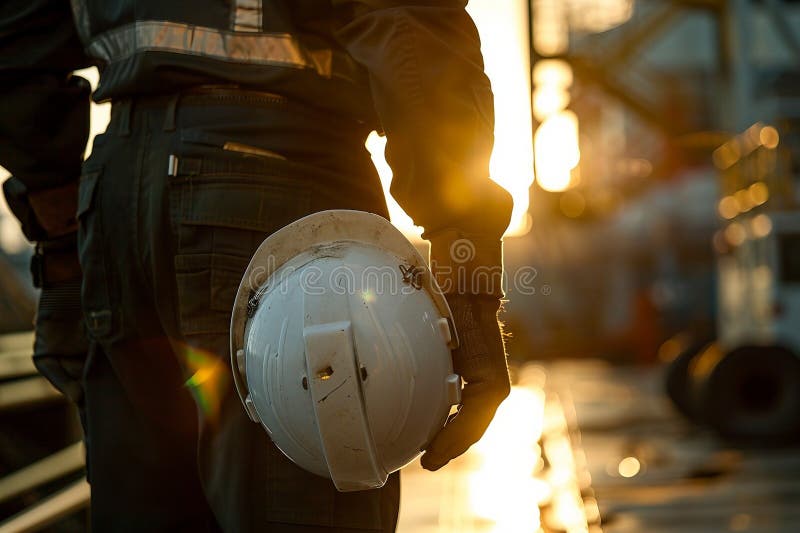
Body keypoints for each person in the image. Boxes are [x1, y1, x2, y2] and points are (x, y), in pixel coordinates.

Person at [0, 1, 513, 531]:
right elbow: (408, 21)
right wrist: (467, 269)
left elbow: (13, 43)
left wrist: (60, 242)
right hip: (280, 181)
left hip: (118, 198)